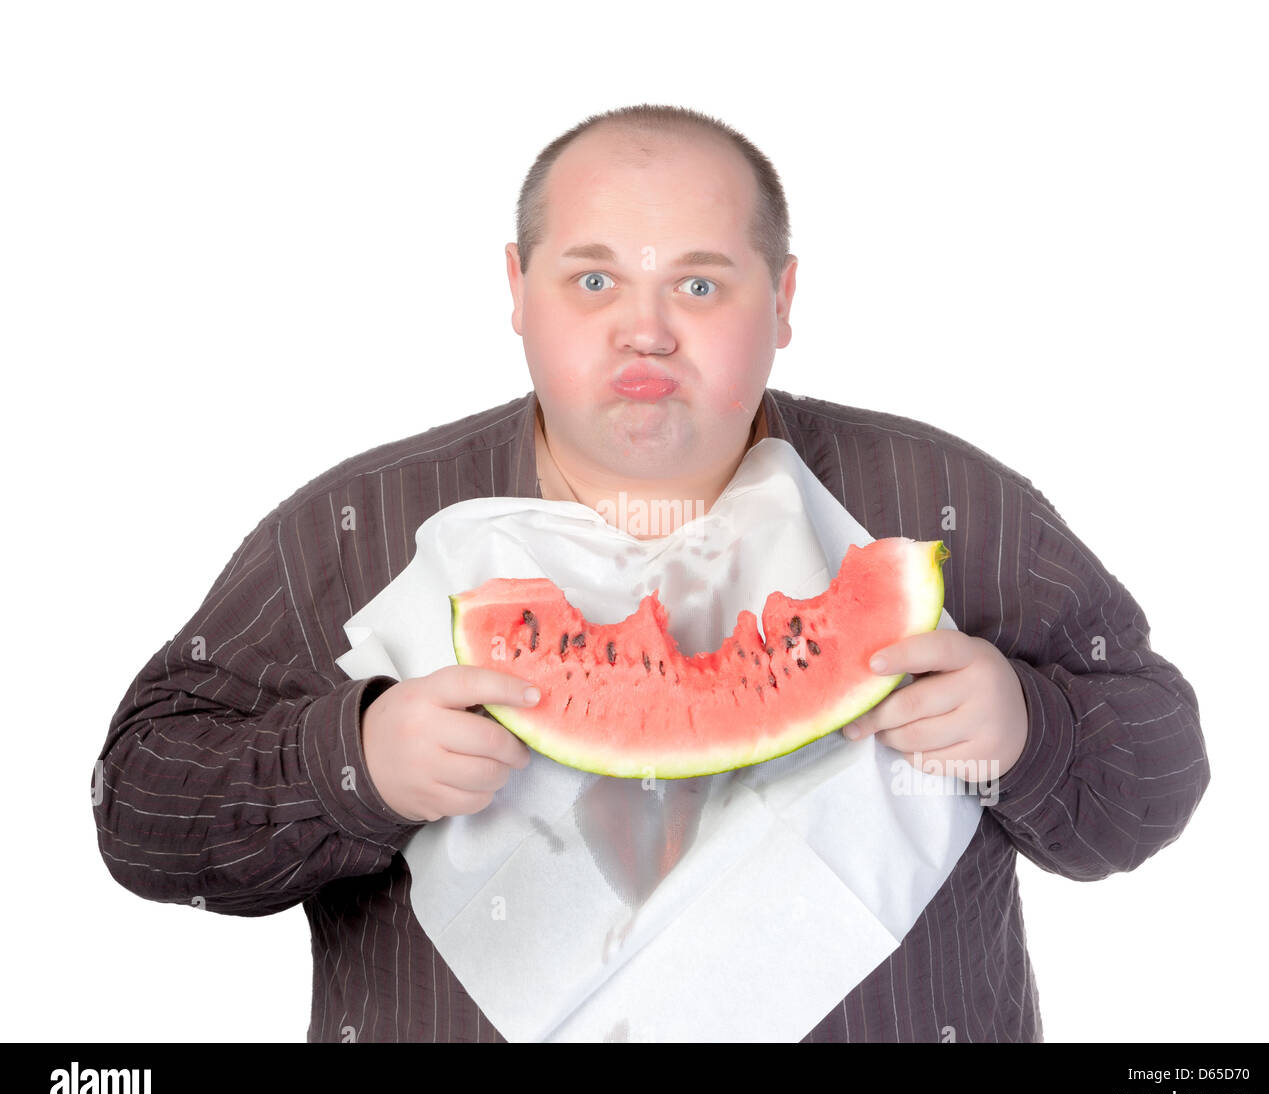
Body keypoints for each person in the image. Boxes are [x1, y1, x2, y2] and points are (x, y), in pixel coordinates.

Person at [92, 103, 1210, 1042]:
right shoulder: (350, 529)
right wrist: (353, 762)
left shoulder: (943, 505)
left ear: (782, 300)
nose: (645, 334)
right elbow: (139, 808)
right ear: (516, 290)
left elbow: (1157, 781)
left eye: (700, 286)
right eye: (591, 282)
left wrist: (1027, 732)